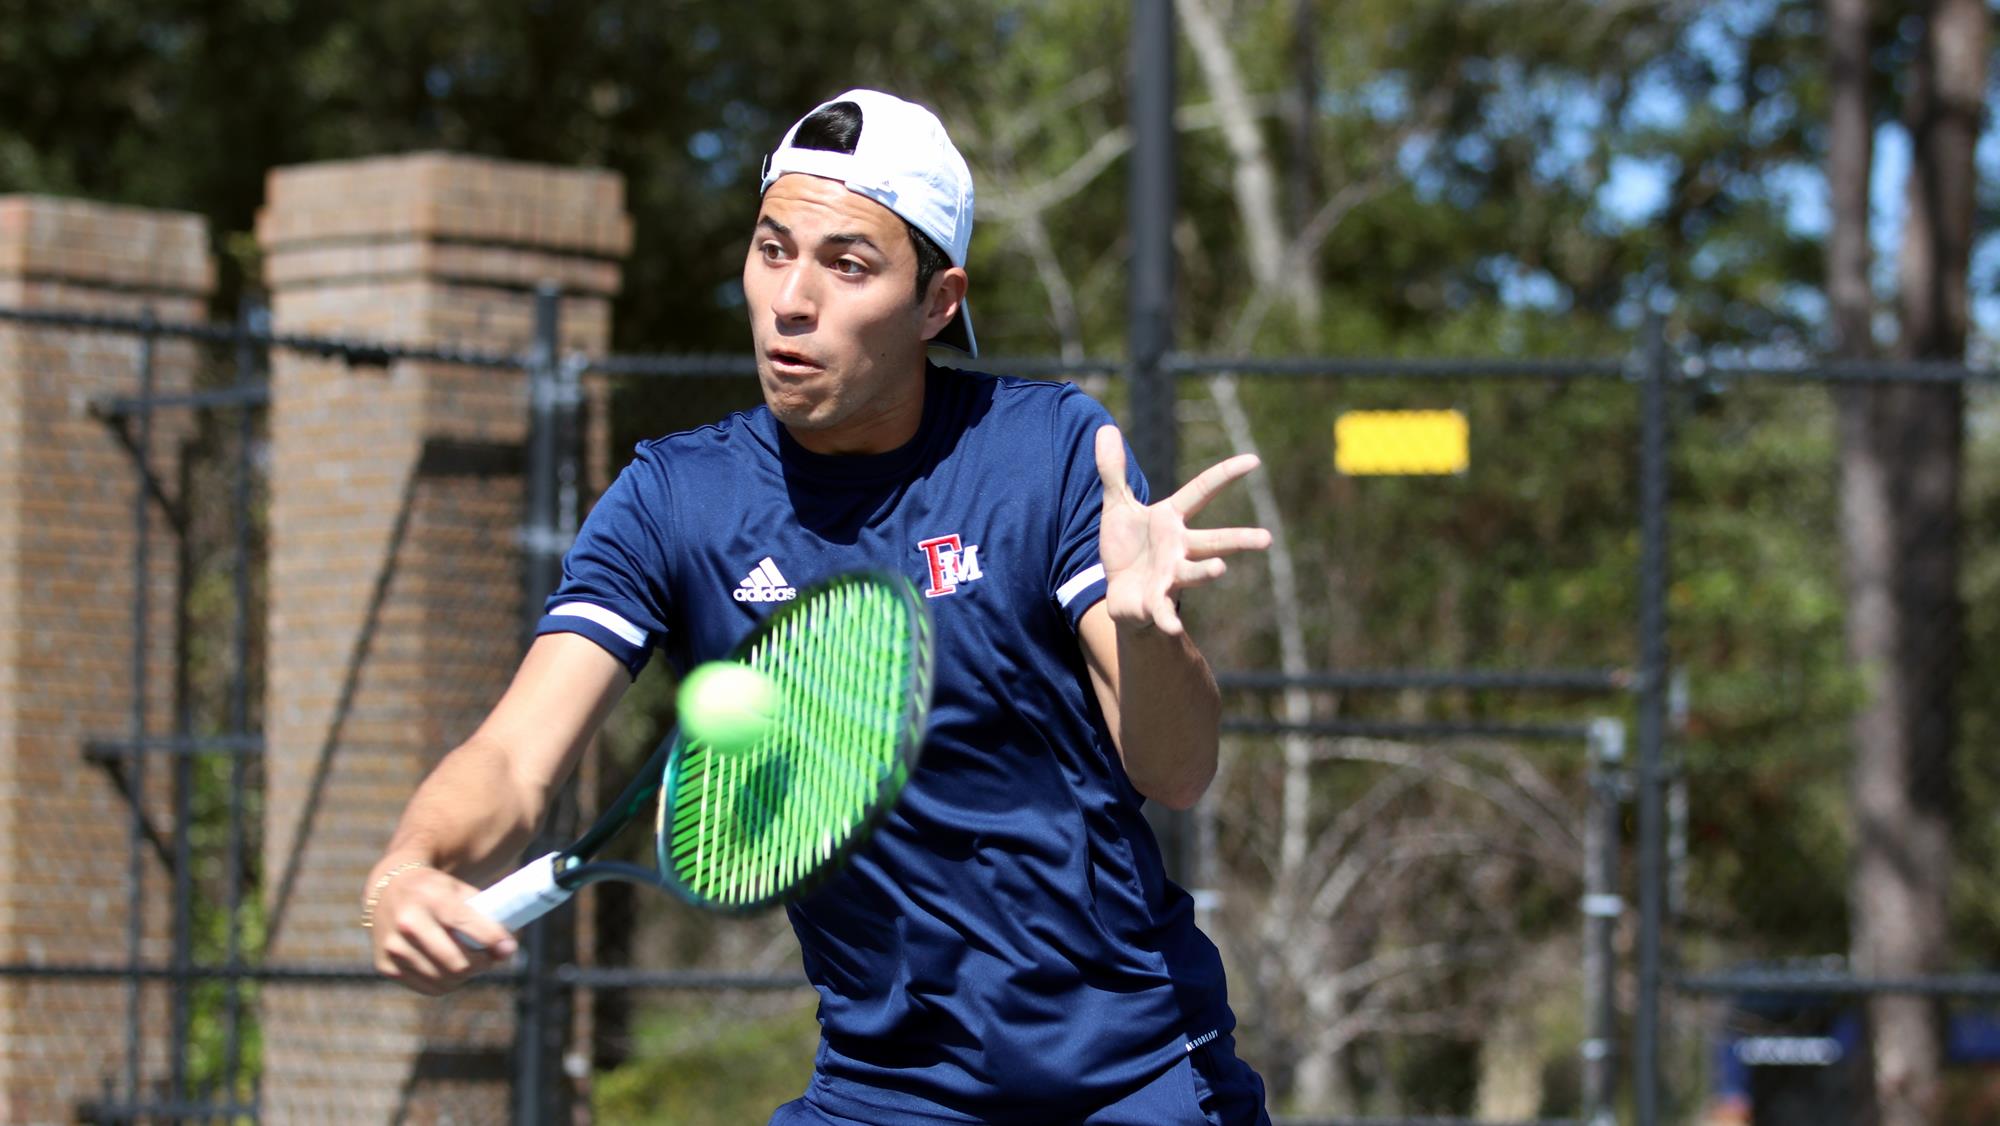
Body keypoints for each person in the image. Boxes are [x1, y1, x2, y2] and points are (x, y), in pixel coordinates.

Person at [362, 87, 1275, 1124]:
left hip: (1137, 1077)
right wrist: (407, 868)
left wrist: (1151, 627)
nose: (792, 298)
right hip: (883, 1088)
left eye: (847, 265)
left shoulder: (1050, 453)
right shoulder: (677, 499)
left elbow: (1177, 767)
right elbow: (514, 761)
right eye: (771, 249)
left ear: (937, 303)